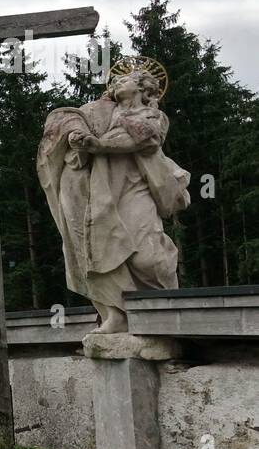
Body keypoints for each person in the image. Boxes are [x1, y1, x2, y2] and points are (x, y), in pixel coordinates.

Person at [37, 58, 190, 334]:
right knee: (101, 248)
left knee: (148, 256)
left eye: (125, 79)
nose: (117, 82)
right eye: (116, 80)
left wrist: (98, 145)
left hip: (136, 186)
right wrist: (74, 136)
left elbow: (145, 139)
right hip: (102, 187)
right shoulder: (99, 112)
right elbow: (67, 120)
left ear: (144, 89)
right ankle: (116, 313)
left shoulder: (153, 115)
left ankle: (166, 313)